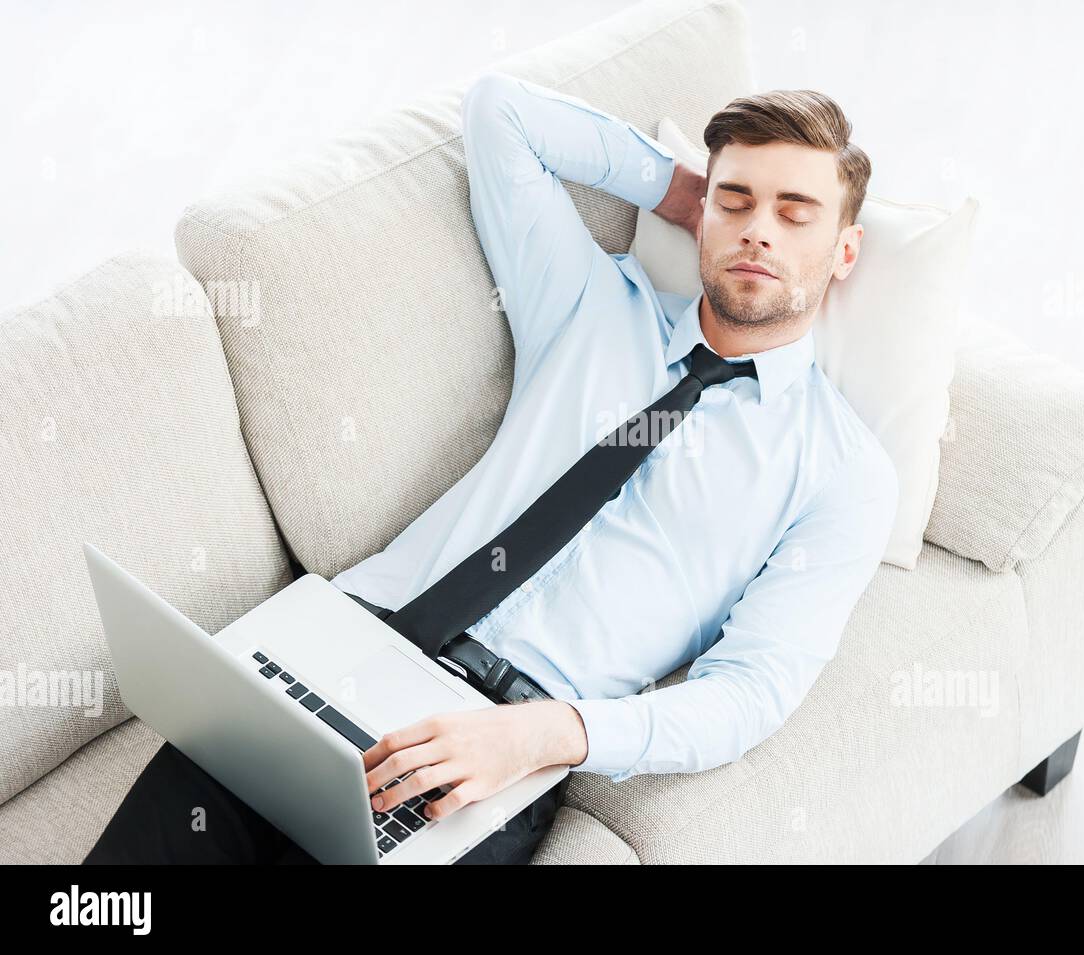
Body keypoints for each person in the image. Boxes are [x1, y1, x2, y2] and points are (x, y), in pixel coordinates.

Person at [86, 70, 898, 865]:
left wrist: (550, 733)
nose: (759, 231)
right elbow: (500, 113)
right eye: (737, 202)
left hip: (495, 743)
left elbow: (750, 692)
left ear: (845, 249)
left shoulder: (843, 474)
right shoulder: (592, 308)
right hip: (341, 642)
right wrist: (680, 192)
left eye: (795, 214)